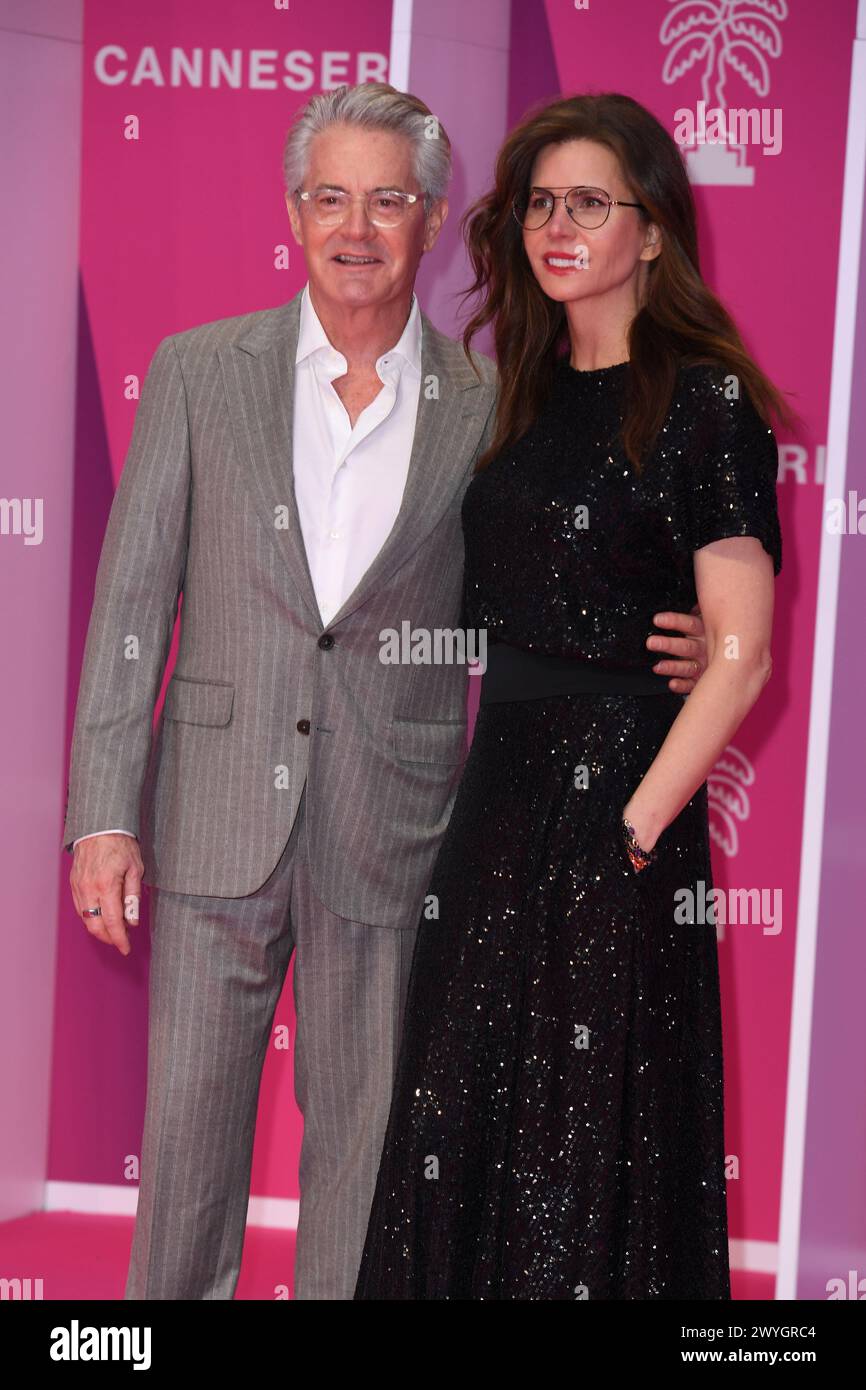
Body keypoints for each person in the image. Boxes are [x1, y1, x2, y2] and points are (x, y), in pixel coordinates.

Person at [62, 84, 707, 1301]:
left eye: (388, 200)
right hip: (211, 815)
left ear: (431, 217)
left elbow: (538, 574)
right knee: (188, 1146)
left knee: (366, 1158)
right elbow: (131, 608)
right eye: (329, 198)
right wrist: (104, 813)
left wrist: (662, 647)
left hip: (397, 826)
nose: (355, 228)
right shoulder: (199, 372)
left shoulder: (491, 404)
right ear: (294, 211)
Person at [355, 91, 789, 1300]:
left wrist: (638, 824)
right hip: (497, 796)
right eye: (541, 201)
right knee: (457, 1103)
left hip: (620, 805)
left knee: (585, 1125)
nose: (558, 225)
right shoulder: (521, 392)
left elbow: (739, 653)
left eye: (589, 202)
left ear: (650, 229)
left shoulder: (702, 401)